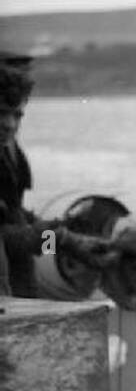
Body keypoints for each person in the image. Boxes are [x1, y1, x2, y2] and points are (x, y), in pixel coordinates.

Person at [0, 52, 115, 297]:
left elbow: (15, 218)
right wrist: (62, 240)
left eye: (17, 114)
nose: (9, 124)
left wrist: (67, 242)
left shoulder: (9, 152)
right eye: (2, 113)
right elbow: (13, 239)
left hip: (18, 288)